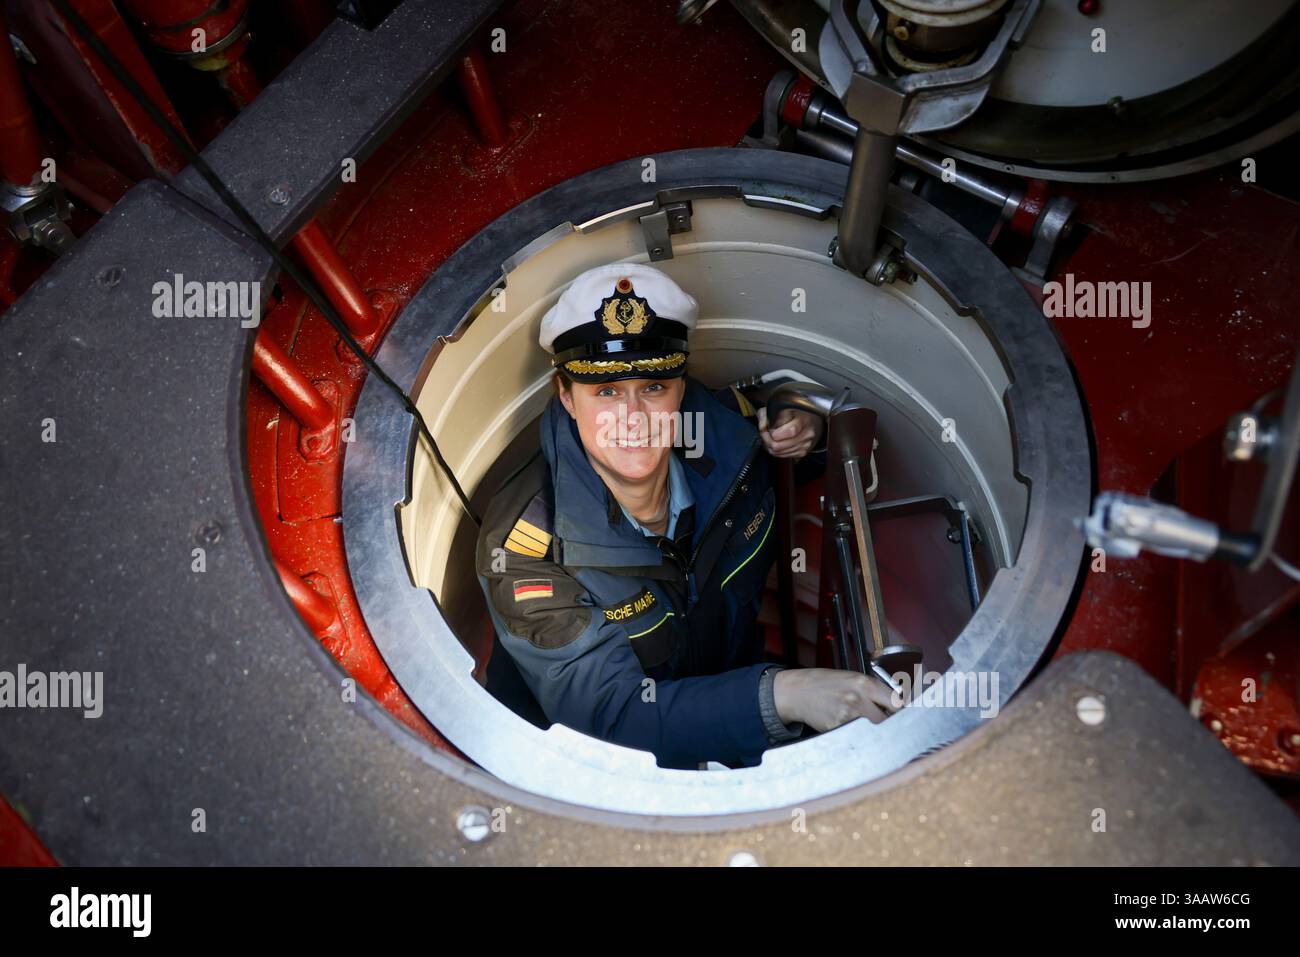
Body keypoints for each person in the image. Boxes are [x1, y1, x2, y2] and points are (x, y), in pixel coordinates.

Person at [474, 262, 897, 770]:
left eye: (653, 387)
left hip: (731, 709)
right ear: (566, 395)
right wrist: (783, 694)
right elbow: (608, 716)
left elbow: (846, 464)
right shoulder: (526, 551)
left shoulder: (733, 442)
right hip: (588, 778)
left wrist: (812, 430)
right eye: (605, 391)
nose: (633, 418)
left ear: (681, 385)